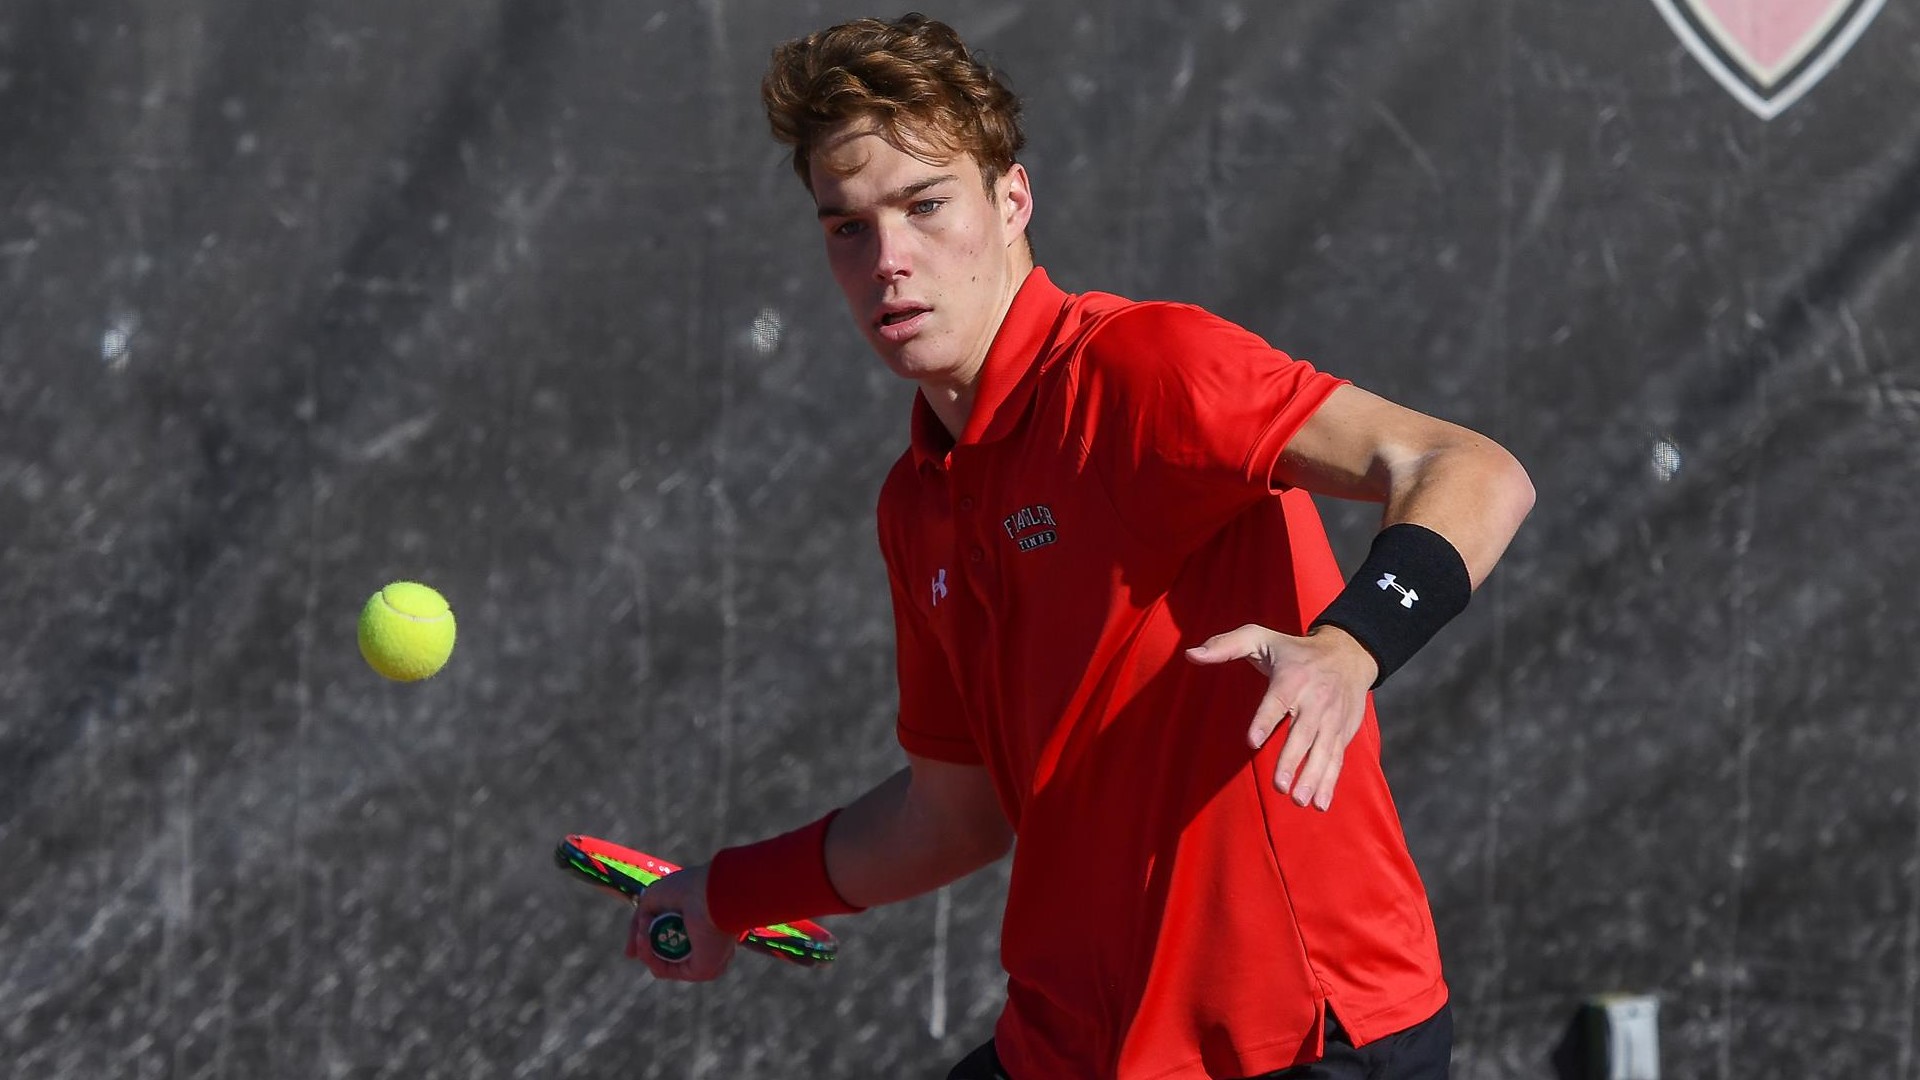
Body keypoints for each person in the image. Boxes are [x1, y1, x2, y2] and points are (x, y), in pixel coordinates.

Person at [628, 13, 1534, 1079]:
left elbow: (1470, 470)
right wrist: (732, 894)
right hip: (1073, 1044)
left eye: (925, 207)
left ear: (1012, 201)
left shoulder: (1146, 371)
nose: (890, 261)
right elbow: (950, 817)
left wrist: (1349, 648)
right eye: (848, 228)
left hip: (1295, 1042)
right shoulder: (916, 503)